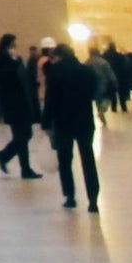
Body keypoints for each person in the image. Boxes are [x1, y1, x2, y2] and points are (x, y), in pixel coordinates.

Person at [42, 42, 99, 213]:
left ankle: (70, 196)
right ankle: (93, 199)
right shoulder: (86, 70)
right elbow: (93, 92)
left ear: (58, 56)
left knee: (65, 160)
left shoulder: (55, 72)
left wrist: (46, 122)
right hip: (84, 120)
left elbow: (50, 98)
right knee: (88, 159)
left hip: (63, 121)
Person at [0, 34, 43, 179]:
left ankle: (6, 157)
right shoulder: (0, 60)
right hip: (12, 105)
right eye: (12, 45)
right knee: (22, 136)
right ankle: (21, 166)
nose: (14, 48)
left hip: (23, 104)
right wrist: (14, 62)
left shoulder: (17, 59)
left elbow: (23, 78)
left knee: (25, 136)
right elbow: (5, 79)